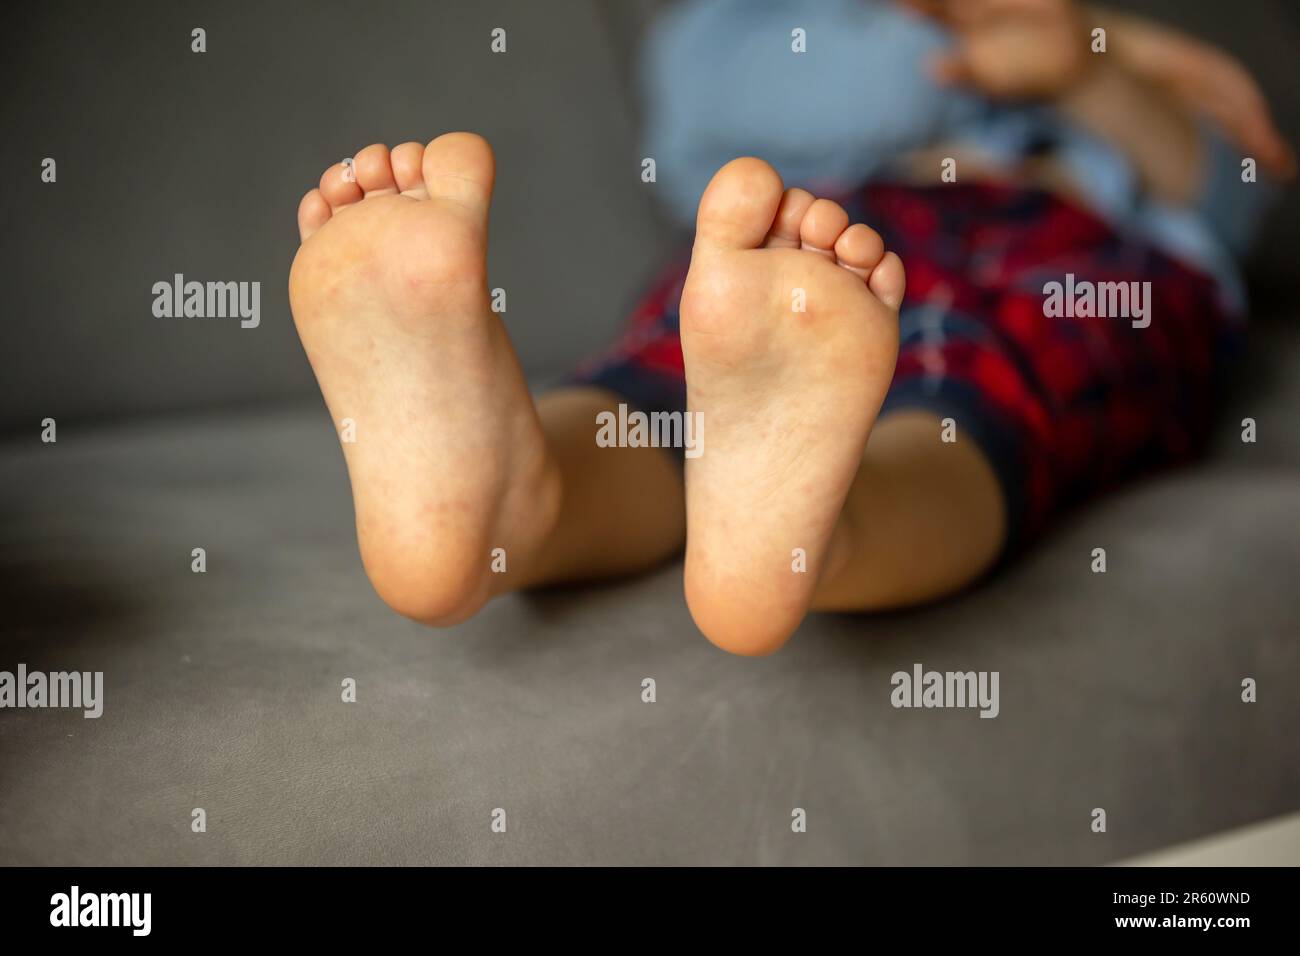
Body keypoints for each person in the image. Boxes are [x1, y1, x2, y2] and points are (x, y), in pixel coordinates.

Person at [287, 0, 1291, 655]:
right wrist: (972, 48)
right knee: (666, 374)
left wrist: (1087, 65)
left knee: (984, 399)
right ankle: (517, 499)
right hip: (810, 247)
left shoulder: (1074, 36)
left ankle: (813, 534)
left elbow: (1228, 199)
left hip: (1070, 247)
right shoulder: (738, 29)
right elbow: (718, 110)